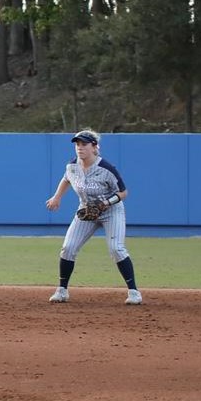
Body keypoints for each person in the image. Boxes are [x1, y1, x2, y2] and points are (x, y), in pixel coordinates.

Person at [43, 128, 142, 305]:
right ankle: (62, 290)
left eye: (84, 144)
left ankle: (134, 292)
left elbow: (123, 192)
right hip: (86, 210)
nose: (80, 147)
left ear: (94, 147)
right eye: (77, 144)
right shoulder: (72, 166)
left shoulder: (106, 169)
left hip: (111, 211)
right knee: (68, 248)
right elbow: (66, 178)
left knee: (116, 249)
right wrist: (57, 197)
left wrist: (105, 203)